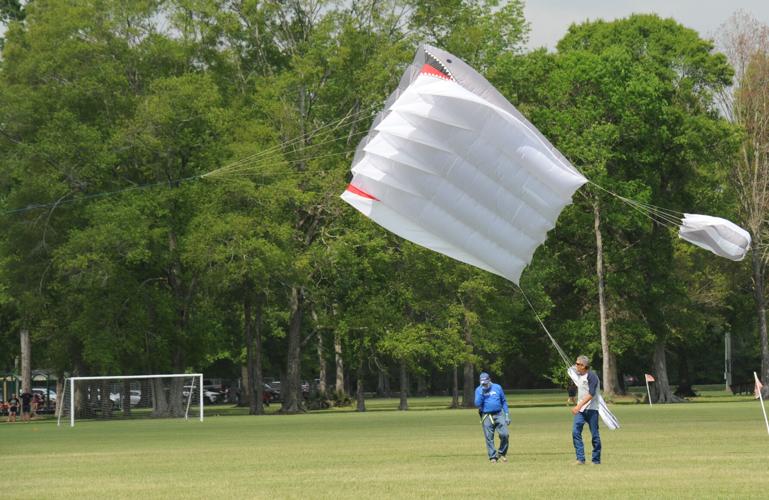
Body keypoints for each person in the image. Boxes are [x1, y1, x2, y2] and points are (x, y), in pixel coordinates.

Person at [571, 355, 601, 465]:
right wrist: (572, 397)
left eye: (578, 364)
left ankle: (596, 460)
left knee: (594, 435)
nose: (576, 366)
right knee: (575, 432)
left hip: (592, 409)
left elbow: (591, 394)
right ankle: (580, 459)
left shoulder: (592, 376)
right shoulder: (579, 376)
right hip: (581, 411)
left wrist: (578, 406)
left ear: (584, 366)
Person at [474, 372, 510, 463]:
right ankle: (493, 457)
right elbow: (477, 404)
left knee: (505, 435)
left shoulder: (497, 387)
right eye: (482, 383)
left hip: (499, 414)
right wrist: (482, 393)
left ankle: (501, 453)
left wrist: (506, 415)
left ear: (489, 380)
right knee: (489, 437)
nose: (484, 384)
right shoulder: (478, 390)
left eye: (485, 382)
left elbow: (504, 401)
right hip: (486, 416)